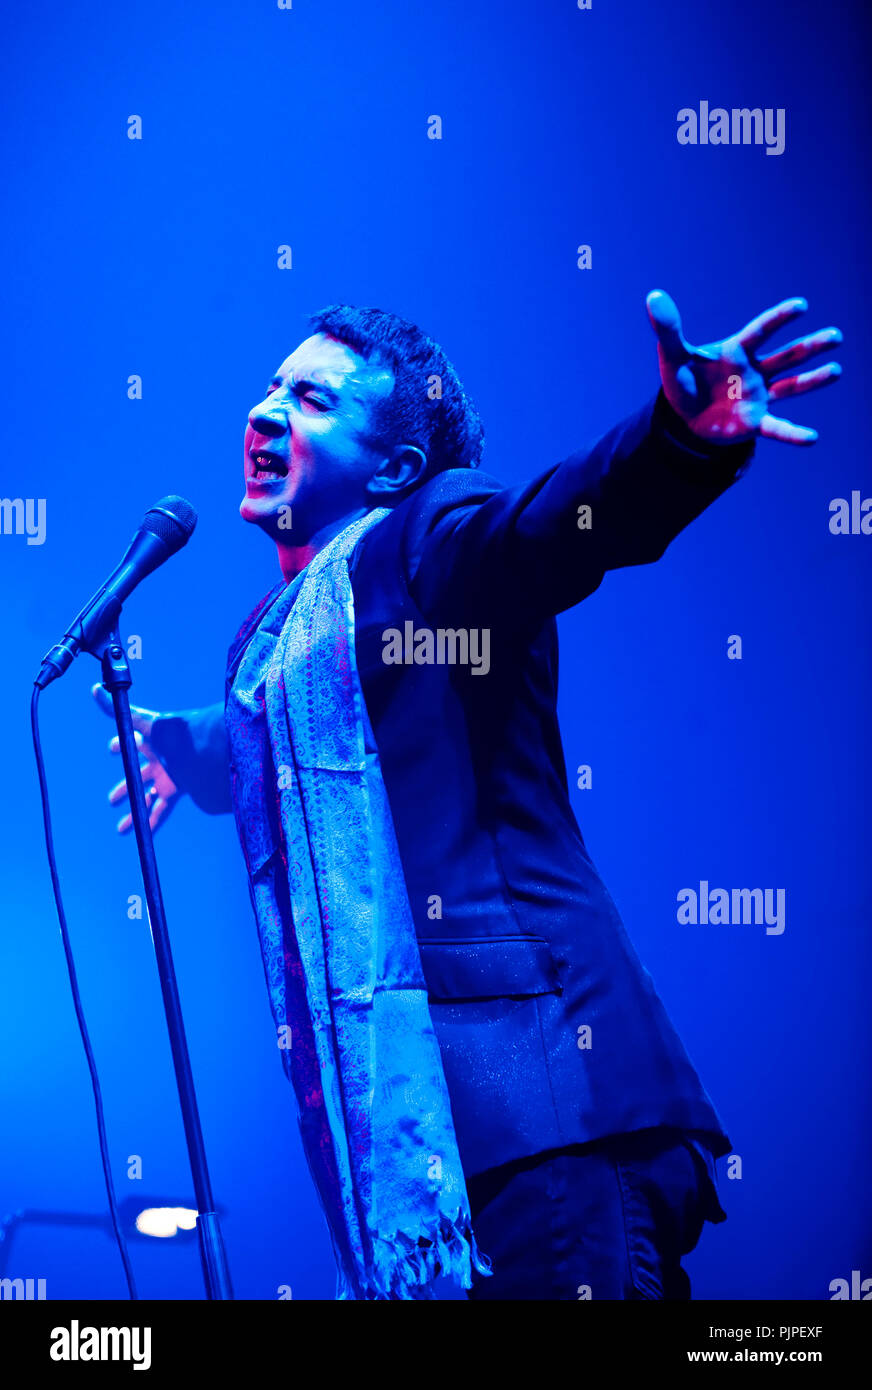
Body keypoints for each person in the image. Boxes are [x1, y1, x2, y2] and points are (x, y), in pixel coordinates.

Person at [95, 291, 842, 1299]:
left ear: (394, 468)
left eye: (311, 402)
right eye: (272, 388)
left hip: (551, 1121)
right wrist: (183, 751)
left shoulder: (430, 539)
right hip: (437, 1163)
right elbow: (260, 740)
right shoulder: (277, 652)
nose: (267, 412)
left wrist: (677, 439)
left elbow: (550, 526)